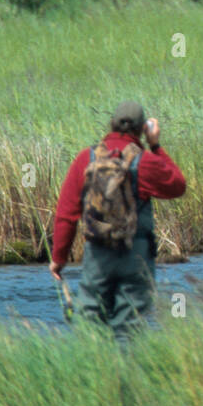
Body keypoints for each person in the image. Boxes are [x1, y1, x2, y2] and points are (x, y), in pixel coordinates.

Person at [50, 101, 186, 338]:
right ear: (141, 129)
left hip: (97, 255)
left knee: (89, 323)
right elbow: (177, 185)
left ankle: (92, 370)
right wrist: (156, 145)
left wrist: (58, 259)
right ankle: (126, 371)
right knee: (129, 328)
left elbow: (66, 215)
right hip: (136, 255)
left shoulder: (86, 158)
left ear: (111, 123)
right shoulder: (145, 161)